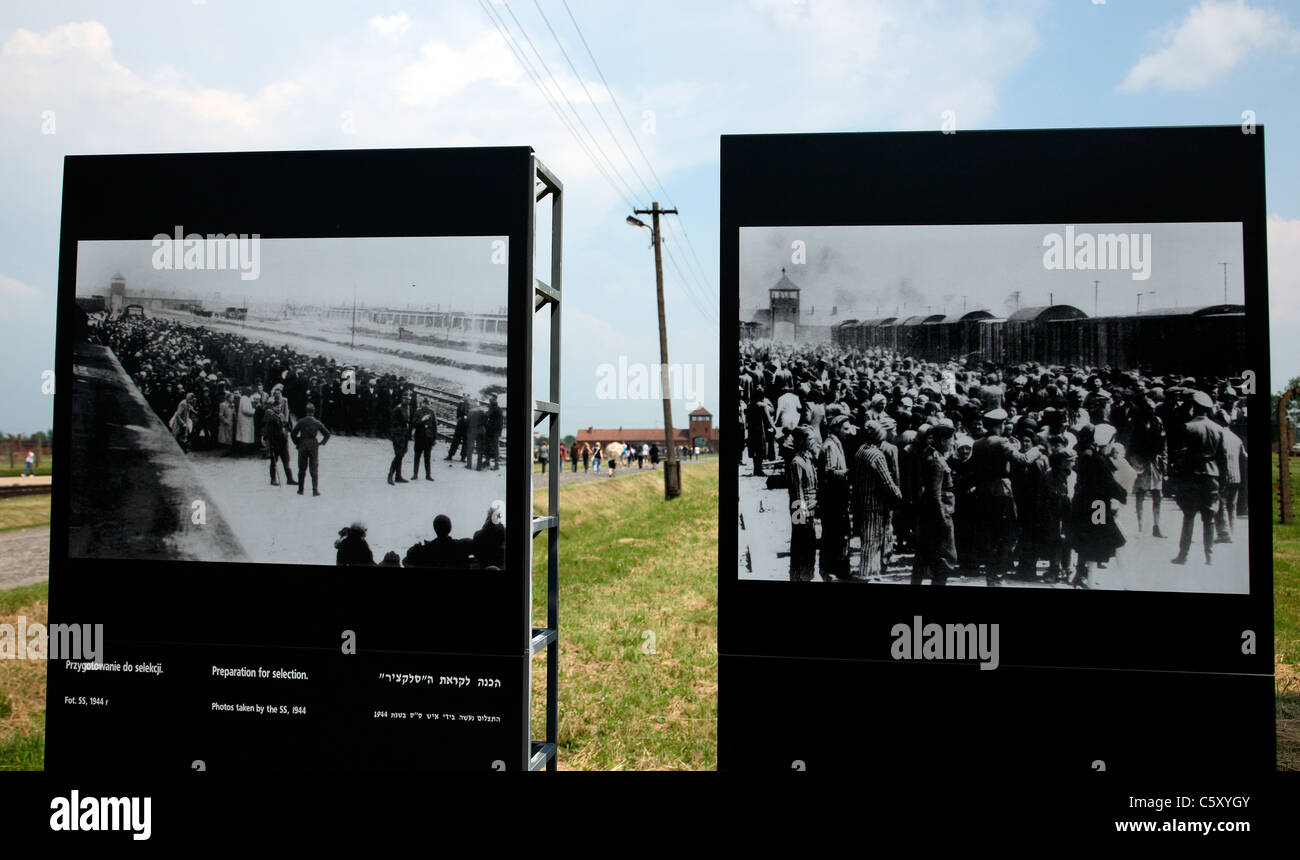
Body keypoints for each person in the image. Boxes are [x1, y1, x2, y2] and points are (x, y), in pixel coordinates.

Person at [1170, 390, 1229, 566]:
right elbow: (1223, 458)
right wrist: (1223, 481)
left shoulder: (1187, 427)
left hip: (1191, 474)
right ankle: (1209, 556)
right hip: (1212, 475)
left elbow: (1179, 456)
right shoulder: (1218, 429)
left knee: (1188, 516)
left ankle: (1183, 555)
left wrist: (1176, 479)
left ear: (1194, 408)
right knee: (1209, 518)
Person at [1068, 424, 1127, 588]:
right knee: (1109, 542)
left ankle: (1085, 579)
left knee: (1094, 544)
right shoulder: (1098, 460)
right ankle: (1122, 582)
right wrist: (1122, 495)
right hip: (1098, 506)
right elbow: (1109, 484)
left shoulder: (1093, 457)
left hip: (1093, 506)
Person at [853, 421, 902, 579]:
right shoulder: (877, 455)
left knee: (868, 541)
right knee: (872, 543)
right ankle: (866, 575)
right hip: (875, 505)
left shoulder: (861, 450)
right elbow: (887, 481)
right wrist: (898, 496)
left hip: (863, 502)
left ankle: (870, 574)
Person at [912, 419, 958, 586]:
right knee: (946, 558)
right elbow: (935, 494)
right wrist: (943, 520)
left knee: (924, 556)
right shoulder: (936, 461)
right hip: (938, 514)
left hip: (928, 513)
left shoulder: (930, 455)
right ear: (942, 440)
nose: (952, 443)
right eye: (950, 439)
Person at [817, 416, 853, 581]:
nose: (848, 432)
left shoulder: (836, 443)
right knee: (834, 534)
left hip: (837, 497)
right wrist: (848, 473)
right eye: (845, 429)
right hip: (832, 499)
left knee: (839, 533)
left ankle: (837, 568)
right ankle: (831, 569)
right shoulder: (830, 446)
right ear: (836, 428)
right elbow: (829, 472)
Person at [785, 426, 819, 582]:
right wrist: (801, 518)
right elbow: (797, 493)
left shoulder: (808, 459)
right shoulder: (796, 463)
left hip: (810, 511)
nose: (813, 442)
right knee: (802, 548)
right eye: (810, 439)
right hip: (802, 514)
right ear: (801, 441)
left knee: (809, 548)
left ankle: (808, 575)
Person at [290, 402, 330, 496]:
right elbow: (327, 434)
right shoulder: (317, 422)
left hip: (303, 444)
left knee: (301, 468)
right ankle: (315, 490)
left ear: (306, 411)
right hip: (313, 445)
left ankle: (300, 489)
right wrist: (322, 443)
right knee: (314, 468)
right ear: (314, 411)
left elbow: (292, 434)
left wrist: (297, 442)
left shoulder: (301, 421)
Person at [404, 515, 473, 569]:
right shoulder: (461, 546)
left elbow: (407, 558)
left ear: (435, 528)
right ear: (450, 528)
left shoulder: (426, 550)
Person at [263, 396, 296, 487]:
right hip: (275, 443)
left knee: (286, 461)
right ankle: (273, 479)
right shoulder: (271, 417)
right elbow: (268, 432)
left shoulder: (281, 415)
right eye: (277, 407)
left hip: (283, 442)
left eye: (280, 407)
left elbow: (287, 425)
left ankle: (290, 479)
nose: (279, 408)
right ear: (273, 407)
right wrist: (270, 443)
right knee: (274, 462)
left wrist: (288, 428)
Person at [411, 397, 437, 482]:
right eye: (423, 403)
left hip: (428, 438)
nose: (425, 405)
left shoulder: (431, 412)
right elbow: (414, 423)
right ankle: (415, 474)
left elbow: (434, 427)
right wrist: (422, 420)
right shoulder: (418, 411)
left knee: (427, 457)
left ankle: (428, 475)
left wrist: (434, 439)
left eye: (427, 403)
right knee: (417, 457)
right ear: (421, 404)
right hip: (419, 437)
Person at [387, 399, 411, 485]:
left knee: (402, 454)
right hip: (397, 434)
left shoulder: (407, 407)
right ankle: (390, 475)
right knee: (398, 454)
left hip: (404, 434)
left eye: (408, 398)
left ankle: (398, 476)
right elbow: (392, 422)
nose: (407, 400)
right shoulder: (398, 408)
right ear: (402, 399)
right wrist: (393, 434)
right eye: (405, 398)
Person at [446, 395, 471, 462]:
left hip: (463, 426)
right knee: (461, 441)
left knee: (457, 441)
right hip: (464, 426)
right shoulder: (465, 405)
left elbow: (458, 415)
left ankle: (452, 455)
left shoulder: (462, 404)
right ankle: (459, 457)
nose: (465, 397)